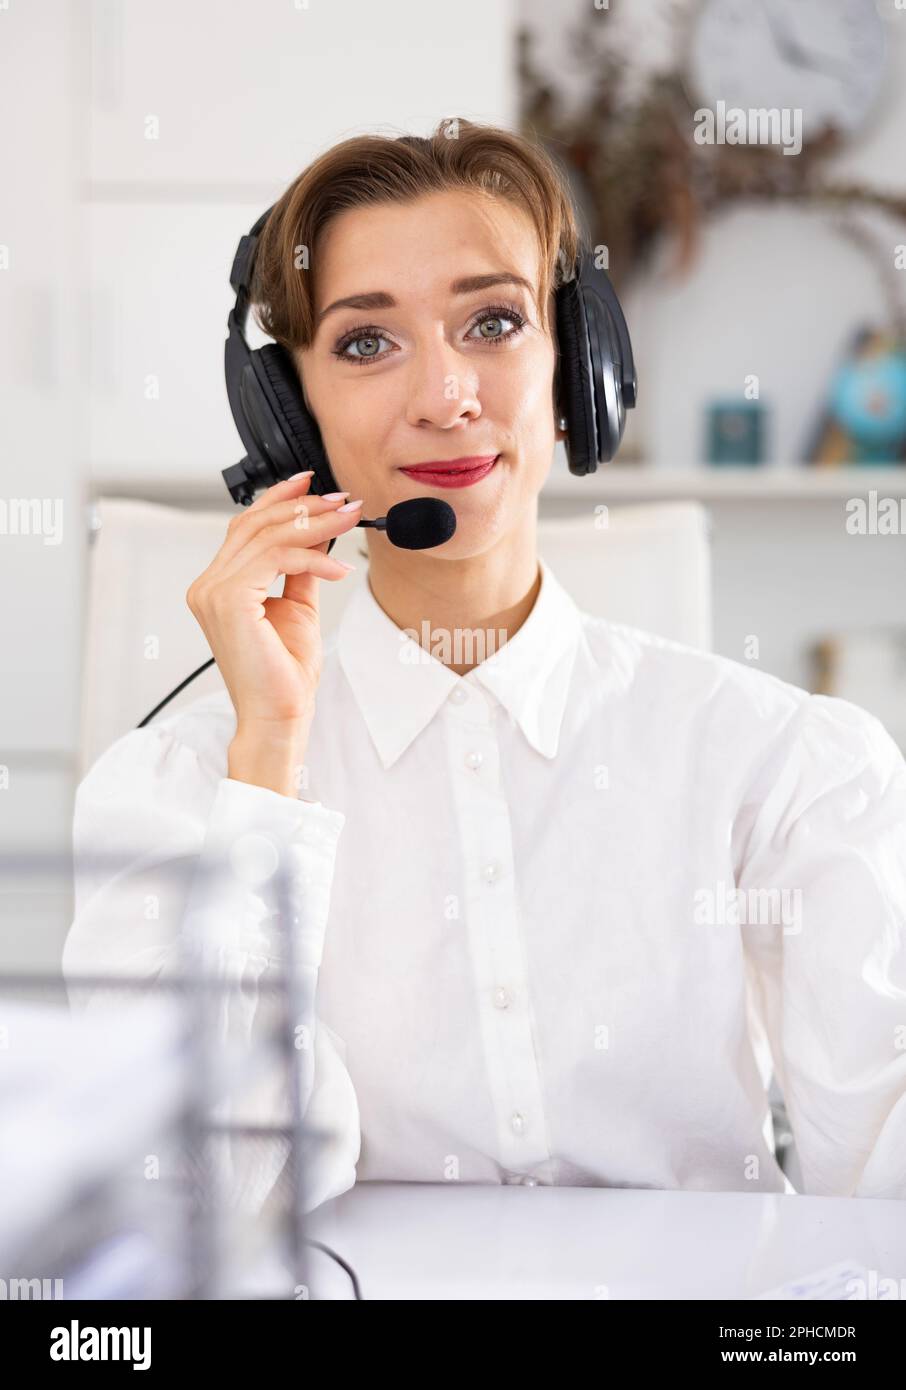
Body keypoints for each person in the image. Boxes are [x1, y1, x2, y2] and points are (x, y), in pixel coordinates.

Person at [64, 120, 906, 1217]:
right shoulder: (184, 786)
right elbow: (199, 1206)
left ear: (579, 368)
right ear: (288, 415)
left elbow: (883, 1173)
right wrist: (264, 767)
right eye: (368, 342)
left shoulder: (779, 764)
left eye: (495, 321)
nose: (445, 394)